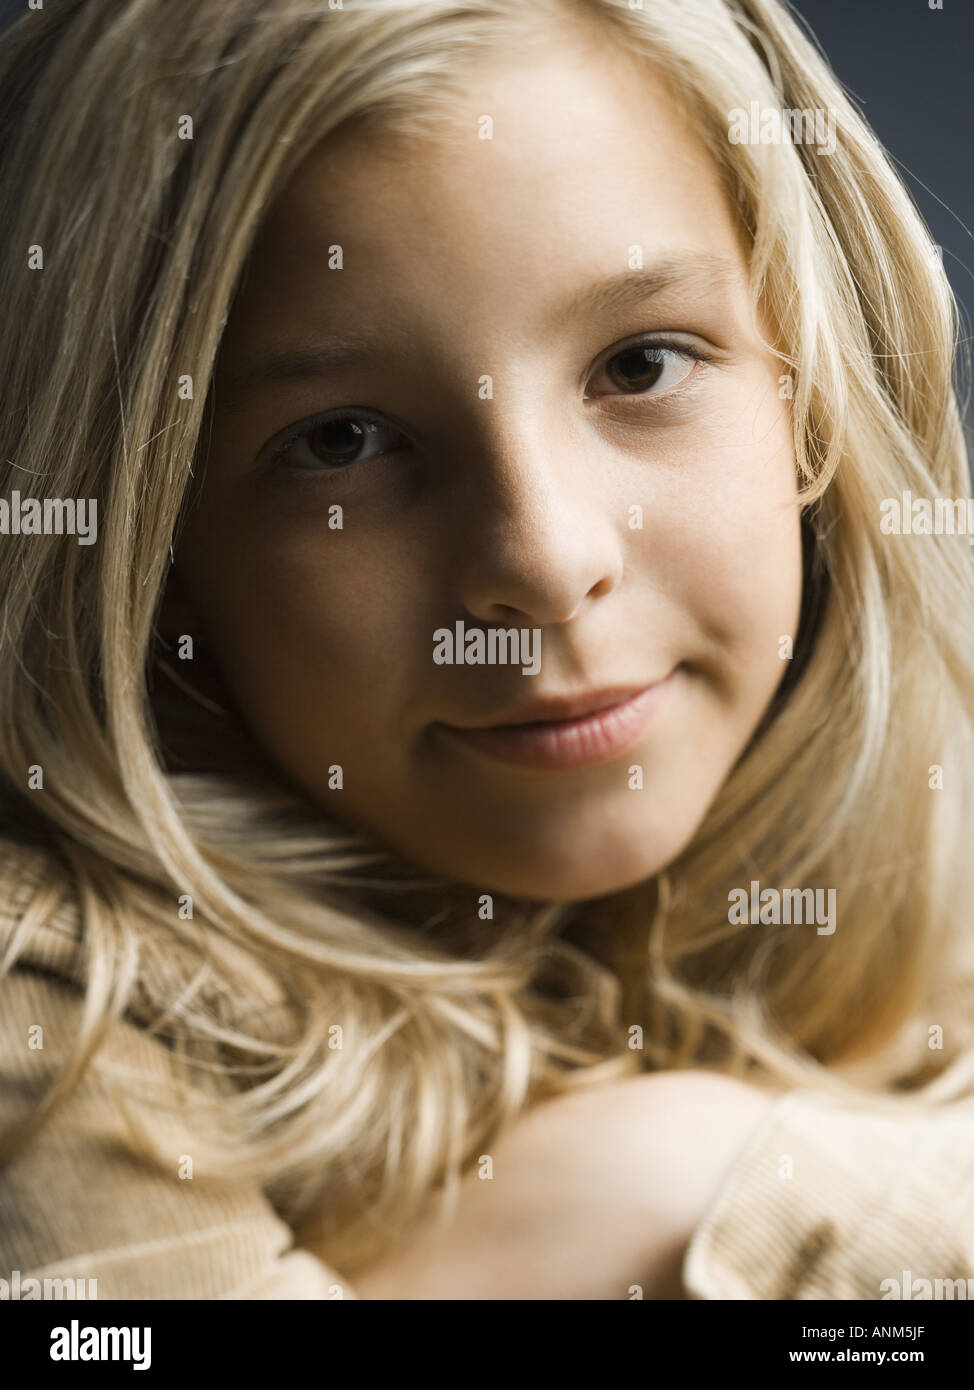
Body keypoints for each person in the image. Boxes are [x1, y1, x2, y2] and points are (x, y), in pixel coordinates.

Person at [1, 0, 972, 1300]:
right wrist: (744, 1203)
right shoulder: (45, 1005)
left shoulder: (937, 857)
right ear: (146, 545)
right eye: (340, 440)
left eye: (640, 363)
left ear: (814, 387)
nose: (540, 556)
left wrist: (682, 1172)